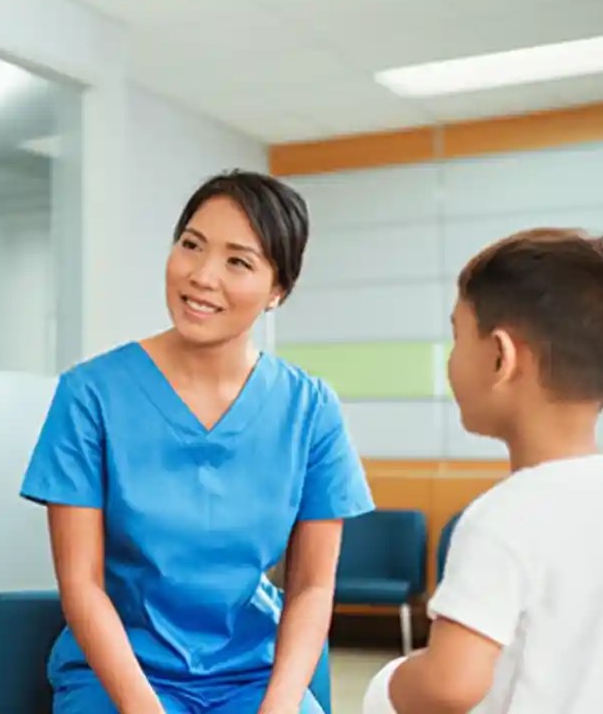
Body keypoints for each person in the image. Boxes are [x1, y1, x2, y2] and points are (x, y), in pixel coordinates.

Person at [21, 170, 375, 714]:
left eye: (238, 261)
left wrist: (279, 707)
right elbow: (81, 583)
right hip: (120, 678)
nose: (202, 275)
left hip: (253, 676)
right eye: (191, 245)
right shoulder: (90, 395)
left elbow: (310, 588)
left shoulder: (310, 409)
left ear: (278, 289)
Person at [363, 228, 603, 713]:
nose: (450, 359)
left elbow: (448, 684)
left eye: (457, 336)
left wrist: (385, 687)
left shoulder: (502, 519)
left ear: (500, 357)